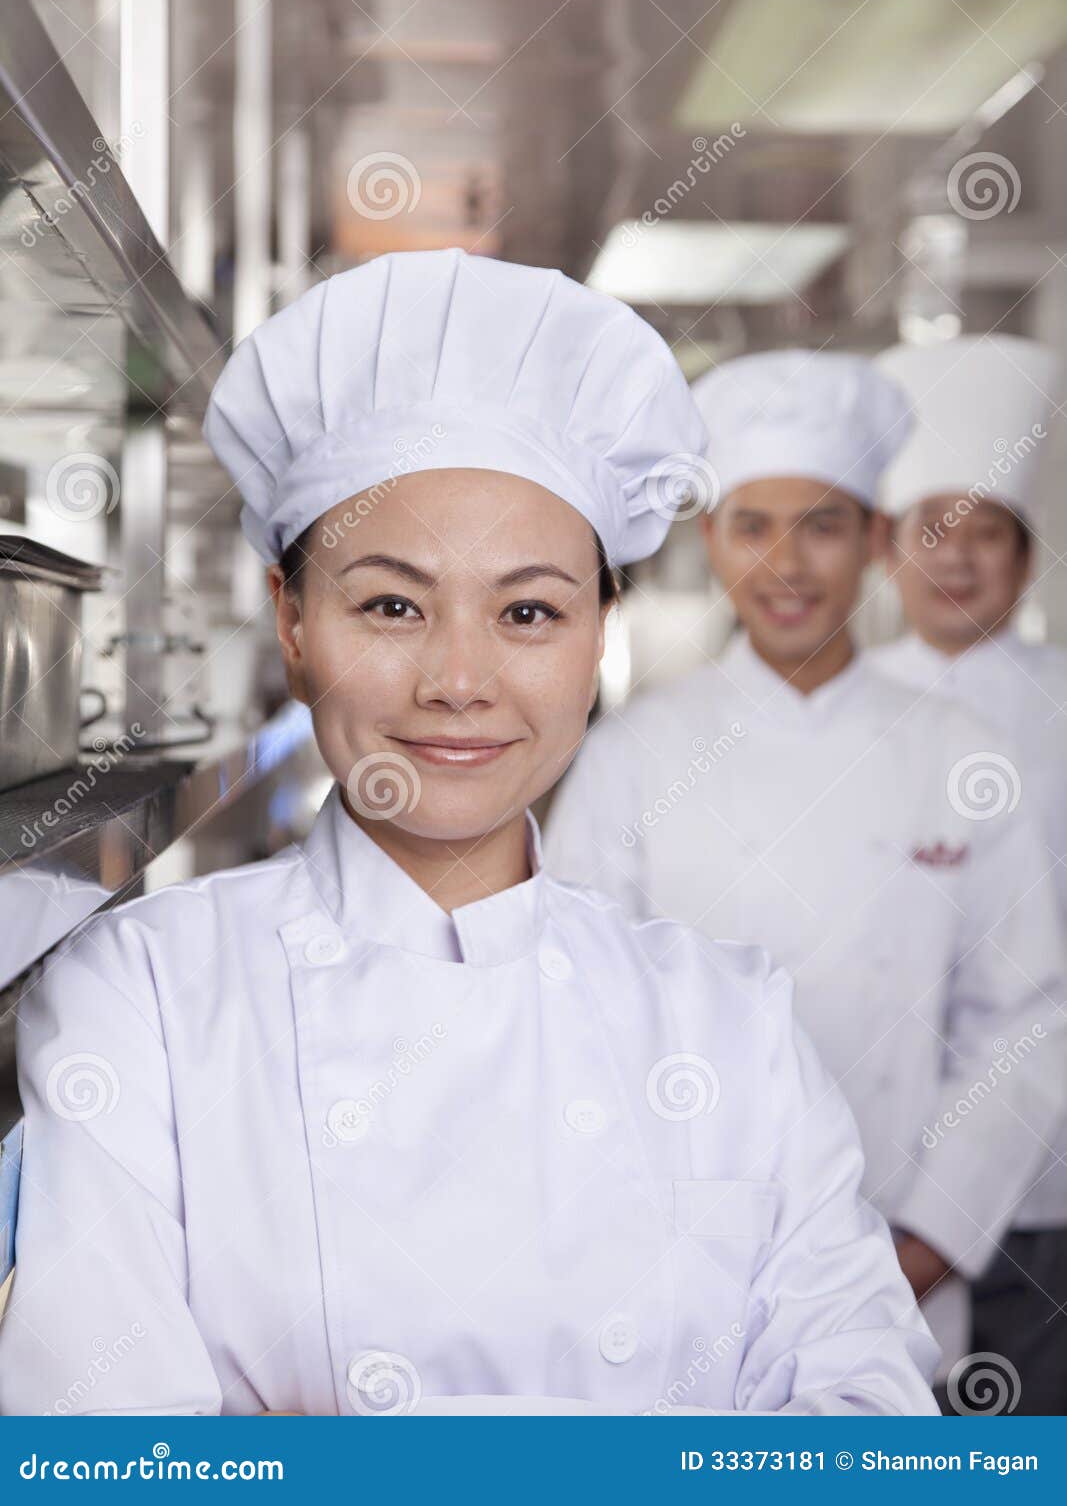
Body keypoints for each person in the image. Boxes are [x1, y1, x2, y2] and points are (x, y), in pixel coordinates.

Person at [0, 252, 937, 1417]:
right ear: (292, 623)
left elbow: (862, 1427)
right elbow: (107, 1455)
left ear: (599, 633)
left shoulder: (728, 1021)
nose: (457, 679)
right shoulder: (137, 997)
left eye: (528, 611)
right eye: (390, 604)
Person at [545, 347, 1067, 1388]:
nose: (785, 564)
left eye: (821, 524)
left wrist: (917, 1248)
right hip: (670, 1286)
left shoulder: (961, 754)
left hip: (903, 1274)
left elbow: (1018, 1020)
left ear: (873, 540)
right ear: (712, 541)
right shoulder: (632, 753)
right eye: (752, 525)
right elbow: (567, 1014)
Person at [871, 333, 1067, 1414]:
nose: (953, 559)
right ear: (886, 552)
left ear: (1024, 559)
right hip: (880, 1167)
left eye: (982, 533)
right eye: (927, 533)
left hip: (1051, 1178)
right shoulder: (838, 717)